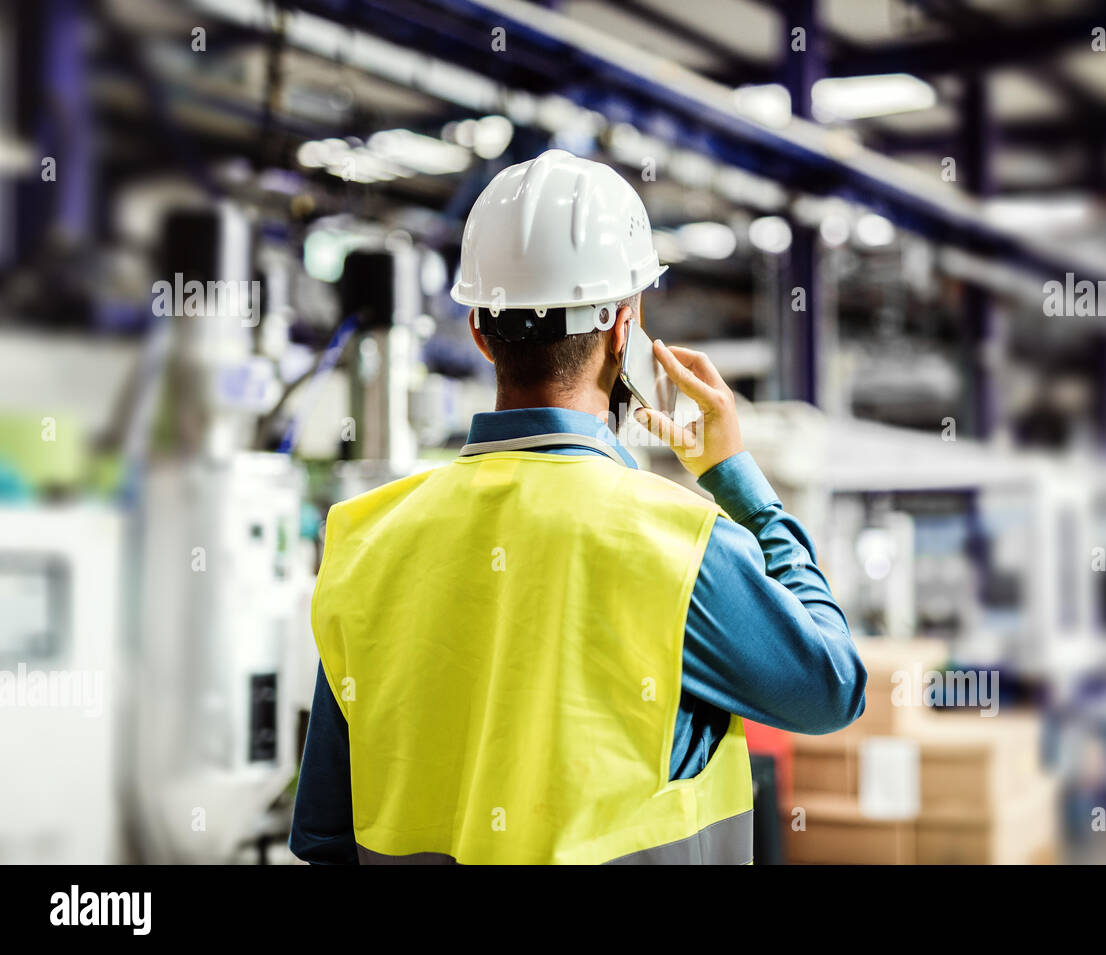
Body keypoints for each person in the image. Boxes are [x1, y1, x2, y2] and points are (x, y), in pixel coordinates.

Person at [290, 149, 866, 865]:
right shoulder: (682, 546)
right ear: (624, 329)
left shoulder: (365, 541)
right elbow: (834, 686)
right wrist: (738, 482)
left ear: (477, 330)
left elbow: (323, 835)